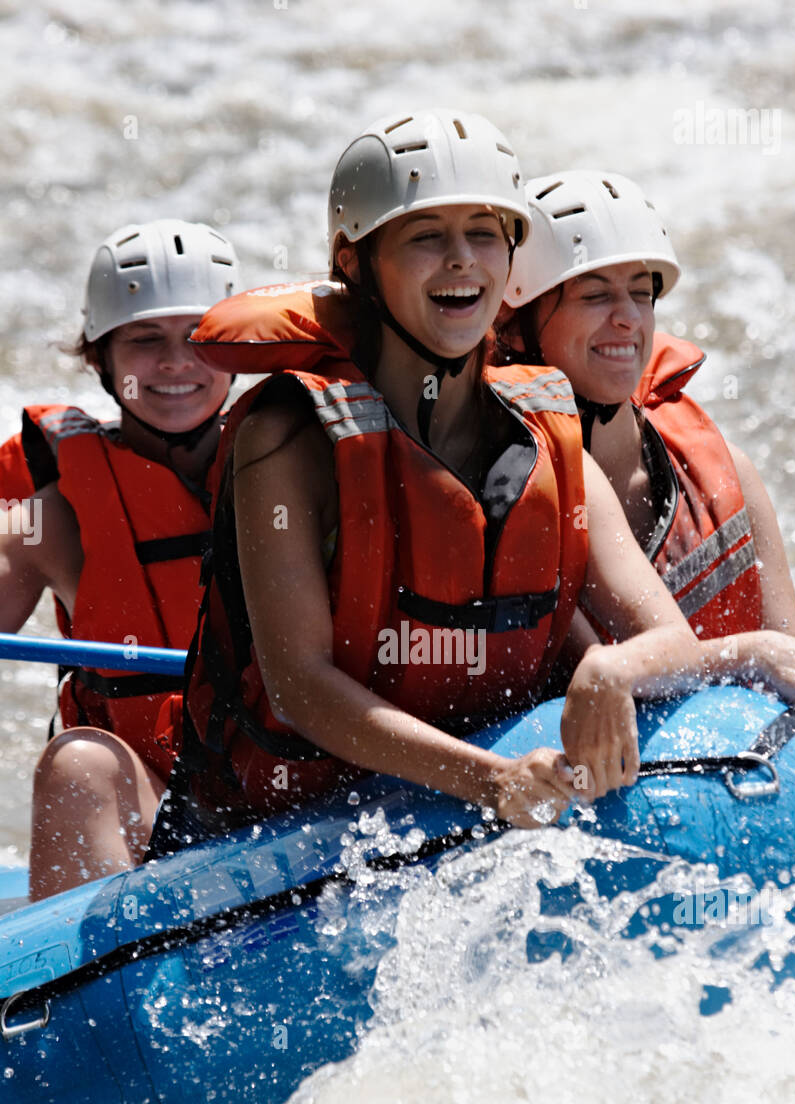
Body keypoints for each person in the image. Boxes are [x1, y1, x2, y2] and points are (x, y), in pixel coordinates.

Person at [146, 107, 754, 859]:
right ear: (354, 261)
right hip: (267, 837)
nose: (462, 259)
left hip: (480, 800)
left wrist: (609, 668)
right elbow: (301, 688)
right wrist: (489, 781)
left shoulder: (548, 432)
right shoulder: (287, 438)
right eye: (427, 237)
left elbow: (669, 641)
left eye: (484, 233)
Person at [498, 169, 795, 722]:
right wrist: (753, 655)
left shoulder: (726, 473)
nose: (627, 317)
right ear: (519, 328)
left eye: (640, 294)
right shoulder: (511, 495)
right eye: (595, 294)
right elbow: (598, 671)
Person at [0, 219, 240, 899]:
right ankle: (83, 993)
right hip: (156, 803)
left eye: (198, 338)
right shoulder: (58, 514)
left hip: (290, 787)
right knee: (79, 765)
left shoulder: (299, 469)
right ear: (99, 358)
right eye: (144, 341)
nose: (174, 363)